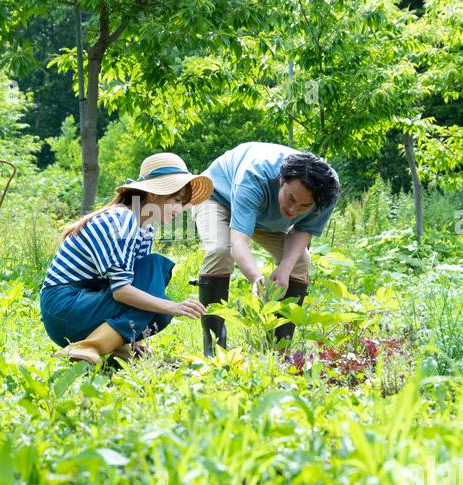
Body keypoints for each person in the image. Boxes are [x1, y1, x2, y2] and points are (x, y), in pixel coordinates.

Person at [41, 153, 213, 366]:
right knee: (154, 272)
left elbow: (134, 286)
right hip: (64, 310)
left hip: (84, 304)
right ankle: (88, 347)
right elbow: (121, 291)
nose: (179, 210)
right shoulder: (122, 220)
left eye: (183, 203)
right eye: (176, 200)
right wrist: (173, 307)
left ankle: (115, 345)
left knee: (159, 309)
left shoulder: (144, 229)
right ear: (153, 195)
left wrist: (129, 338)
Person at [194, 142, 340, 355]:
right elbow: (239, 242)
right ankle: (214, 349)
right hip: (218, 198)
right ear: (281, 180)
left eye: (304, 206)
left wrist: (285, 268)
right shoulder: (255, 175)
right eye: (290, 198)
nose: (293, 210)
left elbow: (302, 231)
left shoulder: (327, 191)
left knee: (300, 262)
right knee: (220, 251)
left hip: (264, 216)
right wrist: (255, 278)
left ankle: (279, 350)